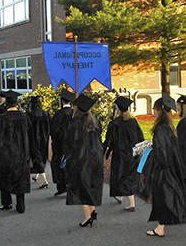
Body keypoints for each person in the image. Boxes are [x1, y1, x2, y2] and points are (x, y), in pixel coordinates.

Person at [140, 95, 186, 237]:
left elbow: (163, 153)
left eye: (154, 108)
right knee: (162, 198)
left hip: (164, 170)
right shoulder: (168, 127)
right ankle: (160, 227)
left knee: (171, 197)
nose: (153, 111)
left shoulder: (161, 129)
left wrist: (151, 155)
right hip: (170, 167)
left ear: (160, 110)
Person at [64, 94, 104, 228]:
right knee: (91, 185)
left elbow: (70, 144)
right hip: (96, 158)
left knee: (82, 187)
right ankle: (93, 211)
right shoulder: (96, 122)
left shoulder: (75, 124)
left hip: (81, 160)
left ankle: (88, 217)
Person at [0, 90, 32, 214]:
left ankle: (6, 203)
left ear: (6, 104)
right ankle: (21, 205)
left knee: (4, 178)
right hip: (22, 153)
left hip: (6, 154)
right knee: (20, 179)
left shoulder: (2, 118)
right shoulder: (24, 117)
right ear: (16, 104)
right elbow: (30, 135)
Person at [103, 96, 144, 211]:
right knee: (128, 175)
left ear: (118, 109)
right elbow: (140, 137)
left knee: (121, 176)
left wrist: (106, 150)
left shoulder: (114, 124)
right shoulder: (133, 122)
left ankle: (131, 204)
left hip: (120, 154)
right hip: (132, 153)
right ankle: (119, 196)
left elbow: (109, 140)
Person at [49, 90, 76, 196]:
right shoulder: (74, 113)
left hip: (60, 145)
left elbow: (53, 131)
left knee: (58, 164)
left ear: (61, 101)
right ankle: (72, 185)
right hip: (73, 144)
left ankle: (61, 186)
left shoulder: (57, 114)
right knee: (71, 163)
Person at [26, 96, 51, 189]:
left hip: (34, 139)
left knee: (37, 158)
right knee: (42, 156)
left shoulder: (29, 114)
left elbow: (27, 128)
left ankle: (45, 180)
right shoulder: (46, 114)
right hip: (44, 138)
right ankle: (36, 175)